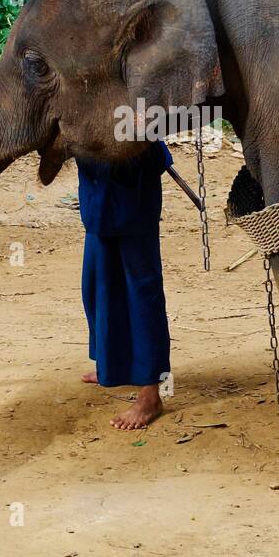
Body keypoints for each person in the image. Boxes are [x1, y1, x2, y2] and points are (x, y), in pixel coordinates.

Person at [77, 139, 175, 430]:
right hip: (98, 177)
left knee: (139, 290)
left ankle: (150, 393)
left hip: (132, 172)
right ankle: (111, 361)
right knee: (98, 281)